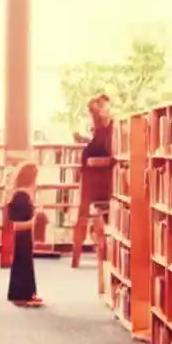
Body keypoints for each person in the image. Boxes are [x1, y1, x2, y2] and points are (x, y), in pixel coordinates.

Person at [72, 93, 115, 269]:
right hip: (91, 175)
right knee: (84, 216)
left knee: (90, 215)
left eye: (97, 111)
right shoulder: (101, 129)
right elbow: (98, 146)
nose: (94, 117)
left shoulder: (110, 127)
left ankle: (98, 253)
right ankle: (78, 256)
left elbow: (107, 154)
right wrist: (84, 140)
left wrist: (93, 161)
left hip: (97, 178)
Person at [6, 161, 44, 307]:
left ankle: (27, 293)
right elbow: (16, 224)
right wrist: (35, 220)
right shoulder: (21, 196)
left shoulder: (24, 194)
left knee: (26, 263)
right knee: (22, 263)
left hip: (25, 235)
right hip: (22, 235)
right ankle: (22, 294)